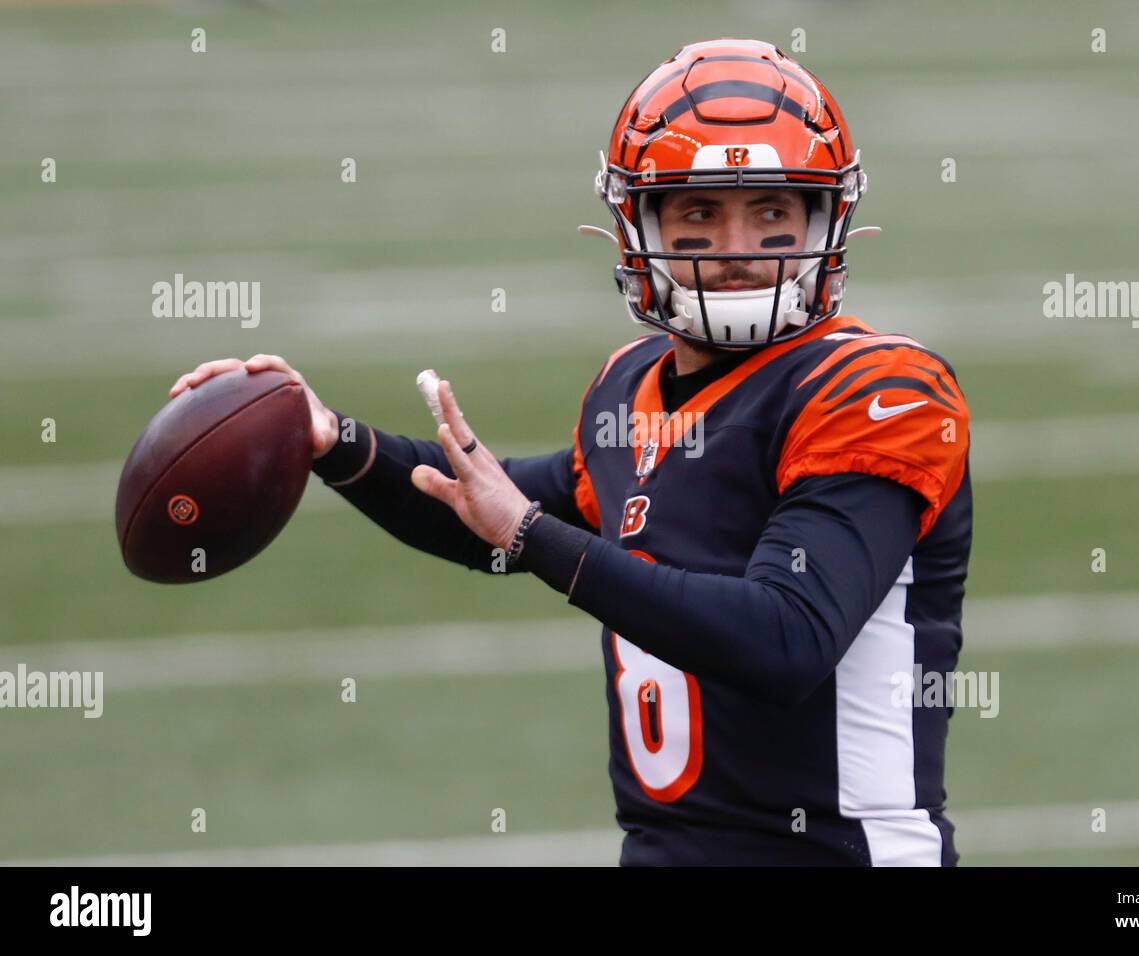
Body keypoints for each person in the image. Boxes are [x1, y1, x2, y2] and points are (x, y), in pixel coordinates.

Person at [169, 38, 972, 866]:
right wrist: (330, 440)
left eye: (772, 210)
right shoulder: (630, 388)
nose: (737, 246)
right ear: (638, 222)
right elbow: (488, 506)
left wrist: (533, 538)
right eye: (699, 212)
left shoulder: (881, 391)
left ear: (823, 218)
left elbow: (786, 639)